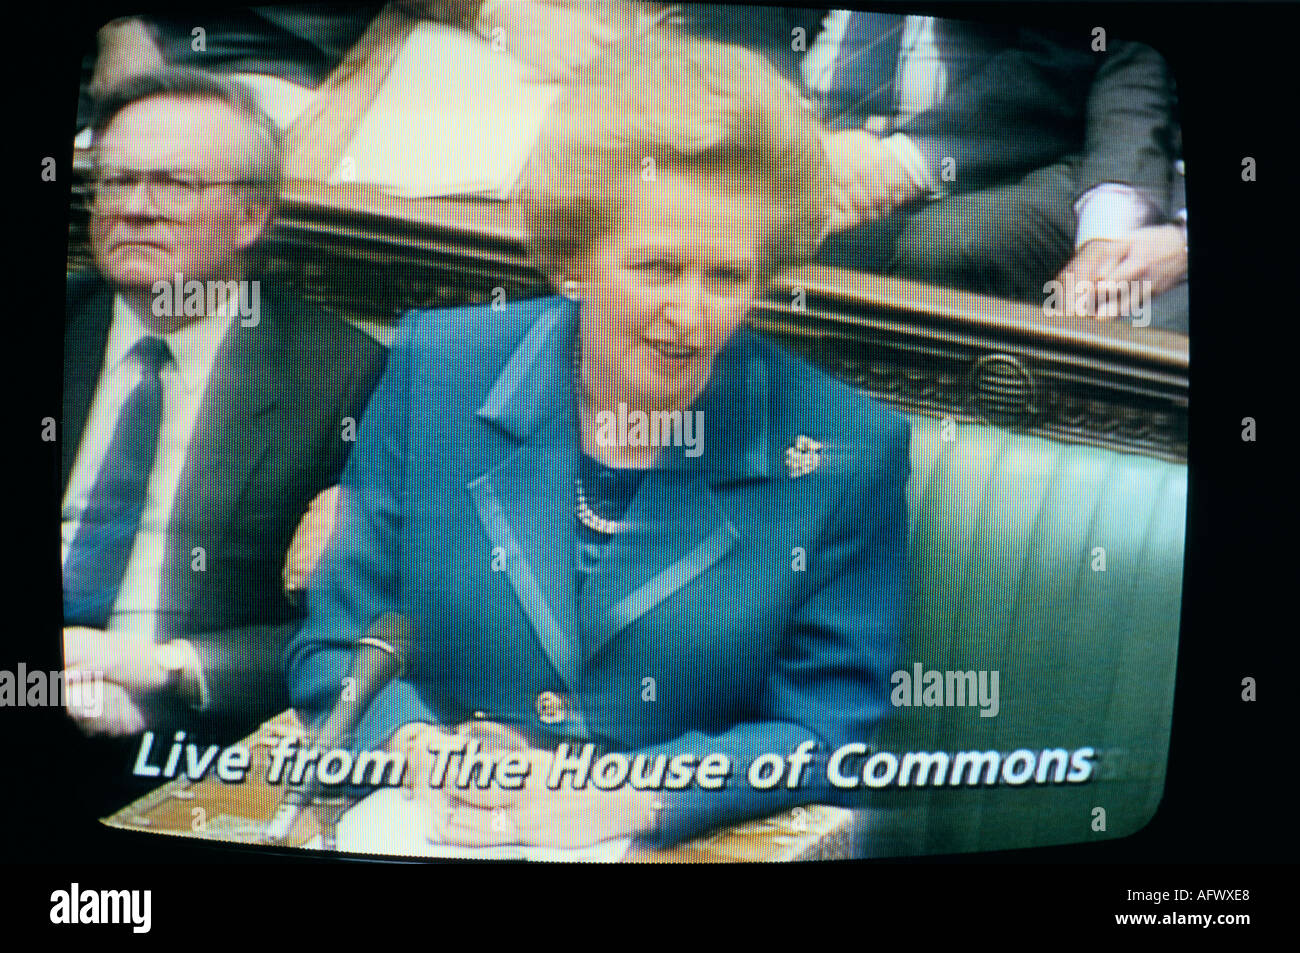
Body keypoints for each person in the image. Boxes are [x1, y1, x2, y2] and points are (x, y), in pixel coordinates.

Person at [287, 28, 910, 851]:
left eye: (726, 276)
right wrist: (413, 748)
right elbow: (337, 644)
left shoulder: (843, 451)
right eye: (655, 268)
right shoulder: (438, 373)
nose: (689, 314)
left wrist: (635, 793)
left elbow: (827, 736)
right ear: (573, 257)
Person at [62, 68, 386, 750]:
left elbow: (355, 632)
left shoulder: (339, 376)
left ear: (251, 216)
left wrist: (167, 668)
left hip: (177, 731)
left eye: (174, 184)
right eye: (117, 180)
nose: (135, 208)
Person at [803, 11, 1178, 302]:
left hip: (960, 155)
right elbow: (759, 29)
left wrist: (906, 161)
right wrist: (782, 132)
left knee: (944, 243)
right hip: (798, 127)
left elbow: (1070, 58)